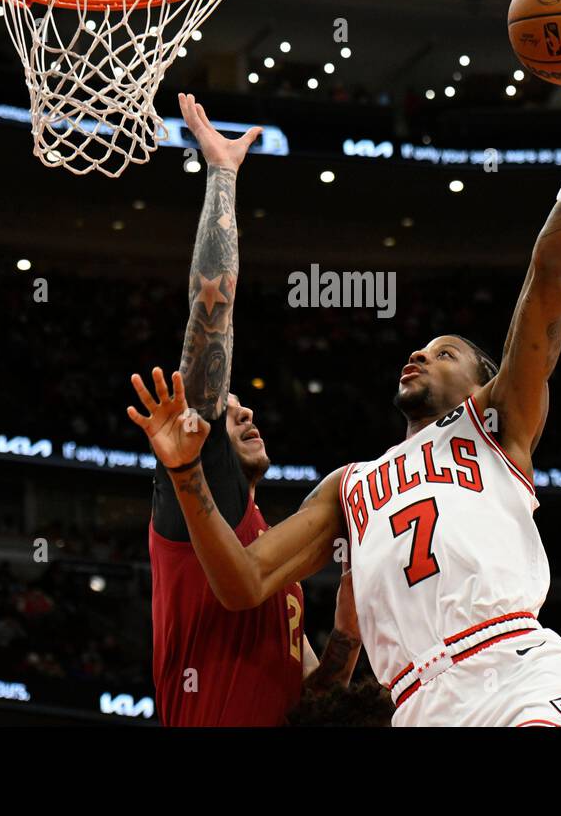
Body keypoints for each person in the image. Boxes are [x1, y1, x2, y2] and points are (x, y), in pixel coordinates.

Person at [130, 0, 561, 726]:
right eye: (419, 346)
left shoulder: (497, 425)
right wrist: (183, 473)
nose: (419, 352)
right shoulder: (350, 486)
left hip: (512, 669)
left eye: (443, 352)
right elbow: (243, 583)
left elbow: (552, 270)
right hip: (418, 703)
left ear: (483, 382)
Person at [147, 94, 361, 727]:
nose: (241, 414)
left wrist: (345, 634)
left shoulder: (269, 555)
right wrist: (222, 176)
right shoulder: (196, 493)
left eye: (242, 411)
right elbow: (209, 323)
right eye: (230, 411)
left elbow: (313, 703)